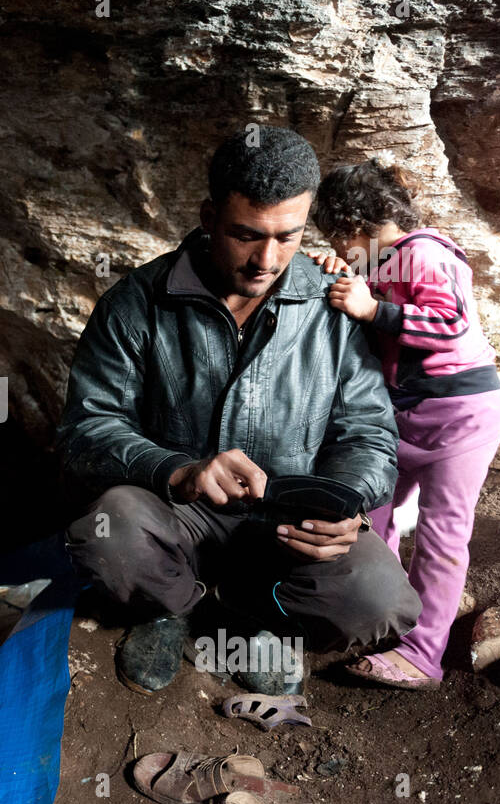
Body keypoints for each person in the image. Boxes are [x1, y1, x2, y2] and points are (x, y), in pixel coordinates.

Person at [56, 125, 421, 694]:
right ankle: (176, 609)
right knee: (106, 535)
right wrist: (177, 470)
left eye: (288, 236)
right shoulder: (135, 303)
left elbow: (369, 433)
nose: (265, 259)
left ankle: (256, 619)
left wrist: (344, 503)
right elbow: (86, 430)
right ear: (208, 217)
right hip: (176, 512)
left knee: (379, 601)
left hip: (288, 526)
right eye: (246, 235)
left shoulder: (333, 306)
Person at [309, 158, 500, 689]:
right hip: (404, 417)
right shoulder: (381, 260)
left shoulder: (424, 253)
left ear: (355, 227)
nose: (341, 247)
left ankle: (423, 656)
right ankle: (385, 615)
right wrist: (342, 271)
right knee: (376, 515)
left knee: (442, 537)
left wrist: (373, 310)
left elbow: (451, 323)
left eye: (337, 237)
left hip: (459, 417)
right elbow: (365, 296)